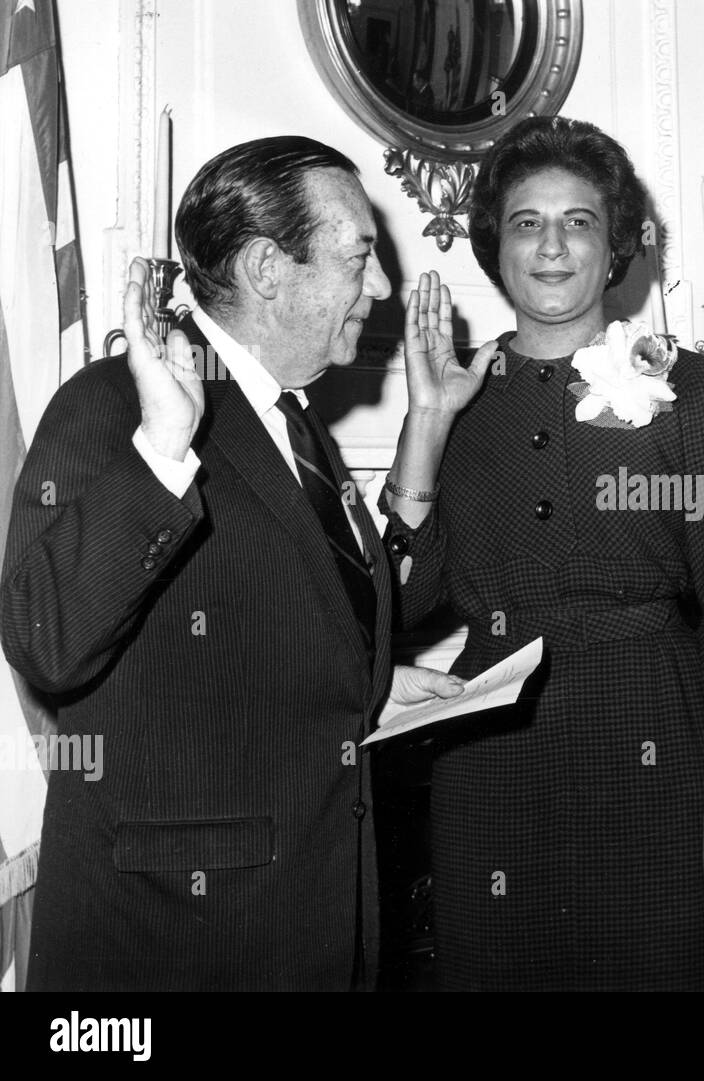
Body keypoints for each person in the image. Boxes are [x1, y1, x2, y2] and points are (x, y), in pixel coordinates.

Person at [1, 136, 460, 991]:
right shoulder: (113, 405)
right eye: (359, 256)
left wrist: (361, 674)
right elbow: (43, 639)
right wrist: (162, 447)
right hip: (177, 939)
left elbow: (350, 607)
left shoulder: (294, 423)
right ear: (266, 267)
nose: (384, 286)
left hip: (315, 921)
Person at [384, 115, 704, 990]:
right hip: (492, 762)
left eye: (579, 221)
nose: (552, 246)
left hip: (657, 744)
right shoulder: (457, 394)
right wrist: (425, 422)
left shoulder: (687, 386)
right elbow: (399, 606)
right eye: (527, 222)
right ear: (497, 248)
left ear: (616, 249)